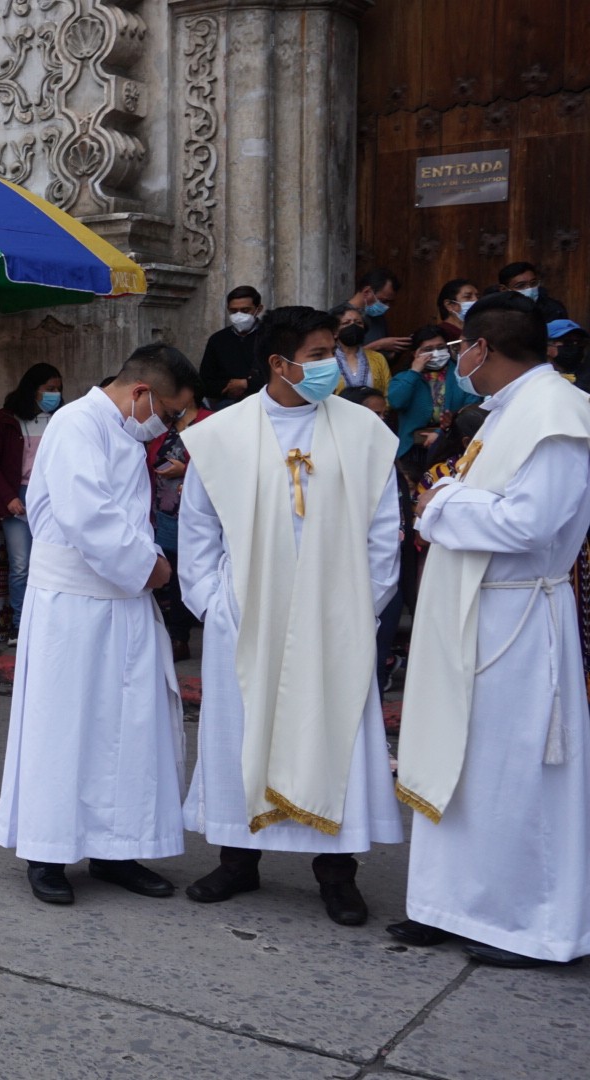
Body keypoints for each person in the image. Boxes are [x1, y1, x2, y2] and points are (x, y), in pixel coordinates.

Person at [176, 306, 404, 926]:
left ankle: (336, 873)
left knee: (334, 733)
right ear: (279, 363)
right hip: (245, 615)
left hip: (336, 616)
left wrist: (362, 604)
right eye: (320, 352)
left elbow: (385, 530)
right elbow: (198, 526)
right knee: (238, 733)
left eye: (334, 349)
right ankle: (237, 860)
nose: (333, 362)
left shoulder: (361, 431)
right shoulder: (222, 435)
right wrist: (210, 603)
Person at [392, 292, 590, 968]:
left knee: (516, 769)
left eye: (462, 352)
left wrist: (443, 502)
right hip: (475, 614)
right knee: (465, 760)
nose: (457, 363)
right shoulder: (505, 412)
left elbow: (528, 524)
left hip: (519, 618)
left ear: (483, 350)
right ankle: (454, 906)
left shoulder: (557, 416)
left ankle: (533, 926)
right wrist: (458, 499)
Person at [0, 344, 198, 905]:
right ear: (141, 394)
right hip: (75, 607)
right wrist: (149, 565)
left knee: (126, 727)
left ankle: (116, 848)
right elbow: (88, 515)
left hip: (122, 601)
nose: (169, 424)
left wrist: (142, 564)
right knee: (66, 728)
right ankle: (49, 849)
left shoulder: (124, 433)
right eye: (169, 412)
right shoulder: (76, 425)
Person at [0, 363, 62, 636]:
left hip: (53, 496)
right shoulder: (6, 419)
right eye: (49, 389)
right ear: (33, 389)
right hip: (18, 495)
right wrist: (9, 498)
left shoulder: (63, 419)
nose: (55, 394)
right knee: (21, 564)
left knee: (53, 561)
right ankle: (20, 625)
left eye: (58, 389)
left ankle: (47, 624)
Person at [147, 397, 209, 661]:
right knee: (172, 578)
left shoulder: (210, 420)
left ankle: (194, 635)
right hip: (165, 512)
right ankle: (177, 639)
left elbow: (222, 463)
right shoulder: (165, 424)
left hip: (197, 514)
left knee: (194, 573)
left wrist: (186, 471)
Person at [388, 325, 481, 458]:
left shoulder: (463, 375)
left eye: (441, 347)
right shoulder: (404, 378)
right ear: (415, 354)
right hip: (412, 449)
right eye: (428, 349)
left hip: (452, 445)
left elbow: (471, 408)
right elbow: (396, 402)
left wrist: (440, 432)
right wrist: (414, 372)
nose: (436, 353)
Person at [197, 285, 266, 410]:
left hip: (264, 403)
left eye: (245, 310)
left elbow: (282, 376)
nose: (239, 315)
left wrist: (247, 384)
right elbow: (205, 382)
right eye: (234, 311)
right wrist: (229, 386)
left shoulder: (270, 336)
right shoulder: (218, 340)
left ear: (258, 309)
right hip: (227, 405)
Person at [326, 303, 389, 395]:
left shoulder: (378, 359)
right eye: (346, 323)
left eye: (358, 322)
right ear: (335, 331)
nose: (353, 326)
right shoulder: (326, 359)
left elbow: (388, 394)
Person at [346, 267, 408, 354]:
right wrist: (377, 346)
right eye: (383, 301)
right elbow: (339, 360)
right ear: (367, 292)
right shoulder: (337, 316)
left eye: (390, 302)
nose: (387, 306)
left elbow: (384, 356)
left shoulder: (378, 317)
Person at [498, 260, 569, 323]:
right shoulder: (494, 311)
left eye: (533, 283)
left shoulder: (553, 309)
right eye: (520, 286)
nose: (530, 289)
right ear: (504, 289)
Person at [547, 319, 586, 384]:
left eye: (579, 342)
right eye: (568, 342)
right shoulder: (536, 378)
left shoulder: (585, 378)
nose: (575, 347)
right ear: (547, 346)